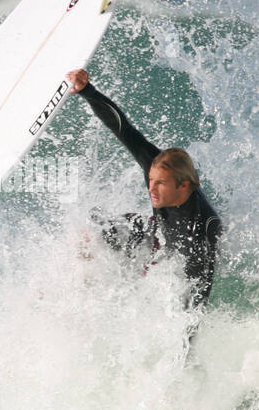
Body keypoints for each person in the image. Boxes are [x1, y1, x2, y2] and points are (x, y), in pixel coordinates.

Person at [66, 68, 222, 309]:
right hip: (155, 231)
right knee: (94, 226)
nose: (151, 188)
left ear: (185, 186)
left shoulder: (199, 231)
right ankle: (79, 290)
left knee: (144, 281)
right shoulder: (160, 167)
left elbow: (197, 299)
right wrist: (87, 91)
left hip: (172, 254)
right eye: (150, 180)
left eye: (159, 183)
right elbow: (123, 128)